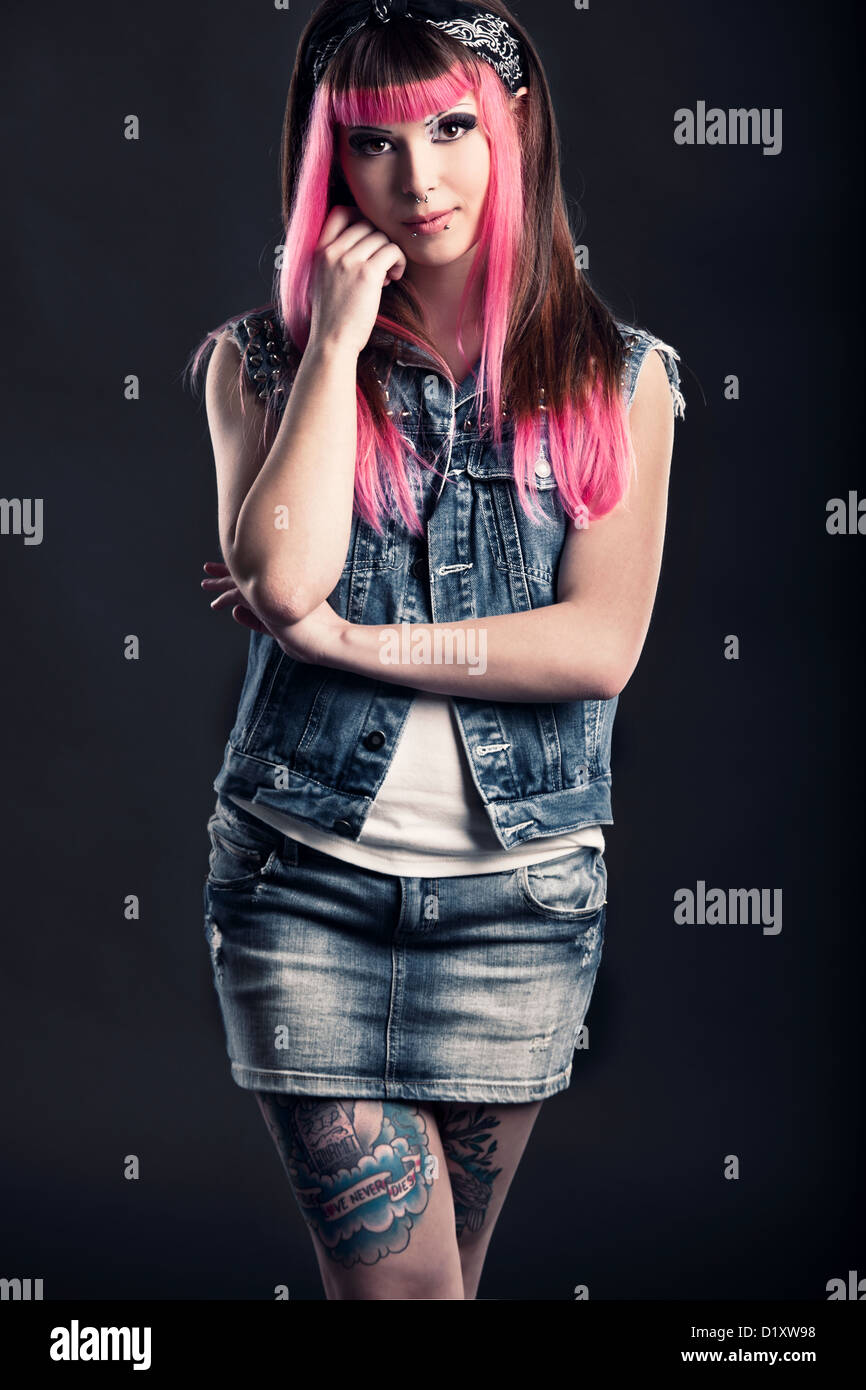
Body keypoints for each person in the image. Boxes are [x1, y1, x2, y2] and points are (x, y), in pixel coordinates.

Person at [186, 0, 686, 1301]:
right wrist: (338, 336)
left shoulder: (619, 378)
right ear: (328, 163)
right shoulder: (257, 361)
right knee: (404, 1292)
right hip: (303, 885)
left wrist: (350, 638)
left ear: (511, 123)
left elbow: (597, 644)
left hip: (518, 903)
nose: (417, 178)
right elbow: (279, 573)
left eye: (451, 126)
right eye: (373, 143)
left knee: (445, 1284)